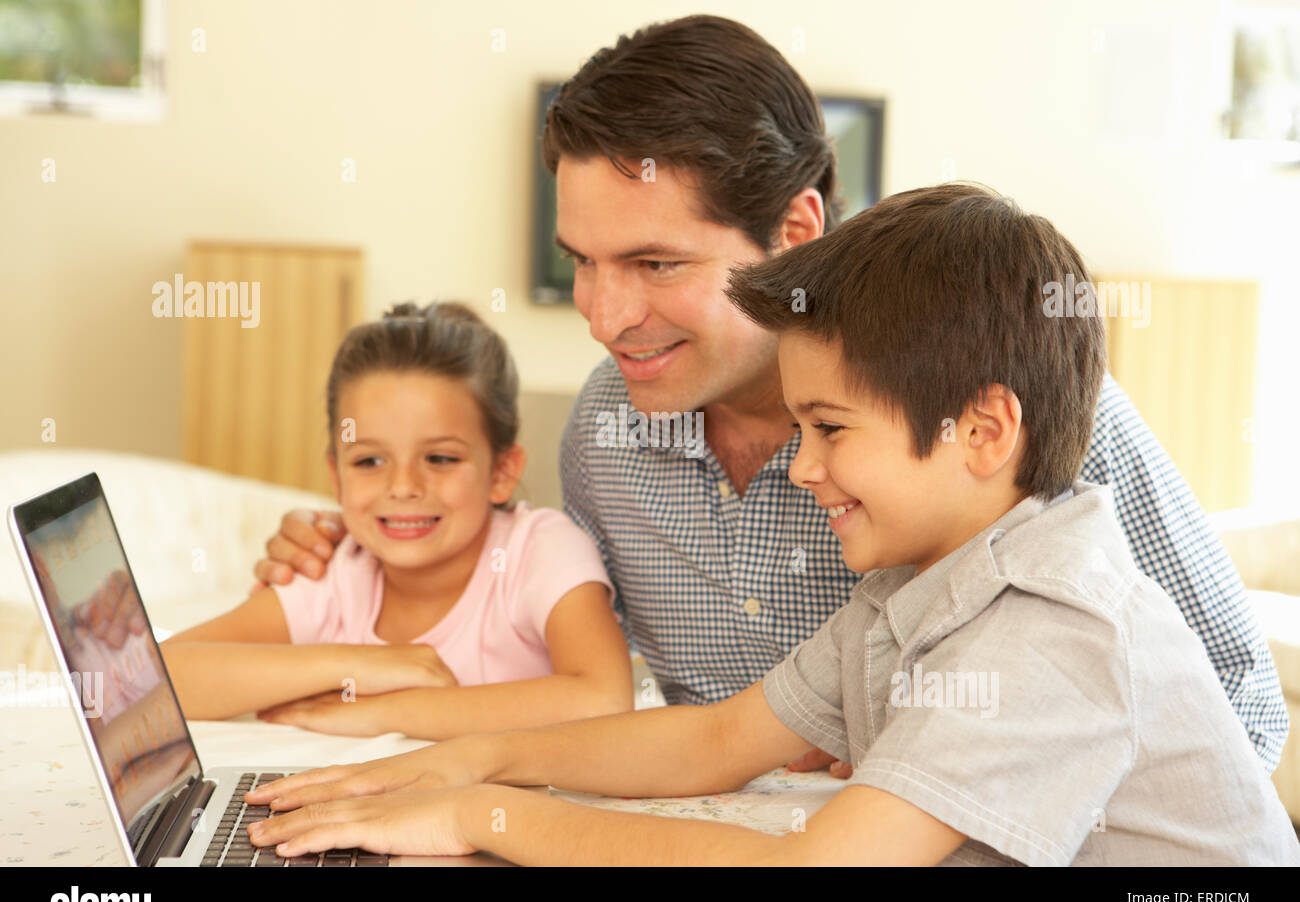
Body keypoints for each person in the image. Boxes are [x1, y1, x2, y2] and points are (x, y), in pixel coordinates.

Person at [249, 14, 1287, 772]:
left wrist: (984, 792)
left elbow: (1239, 706)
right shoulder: (604, 438)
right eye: (583, 262)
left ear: (796, 233)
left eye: (656, 265)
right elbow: (529, 610)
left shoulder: (1007, 410)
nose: (605, 318)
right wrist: (355, 542)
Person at [243, 186, 1300, 865]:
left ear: (982, 429)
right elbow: (716, 735)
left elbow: (813, 870)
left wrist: (482, 817)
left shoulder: (1057, 630)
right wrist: (473, 759)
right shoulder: (919, 583)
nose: (804, 467)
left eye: (830, 428)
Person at [160, 303, 632, 738]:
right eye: (369, 462)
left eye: (441, 458)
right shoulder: (337, 571)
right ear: (337, 478)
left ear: (502, 472)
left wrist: (387, 712)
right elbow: (154, 682)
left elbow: (605, 701)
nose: (403, 486)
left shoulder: (540, 551)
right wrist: (363, 666)